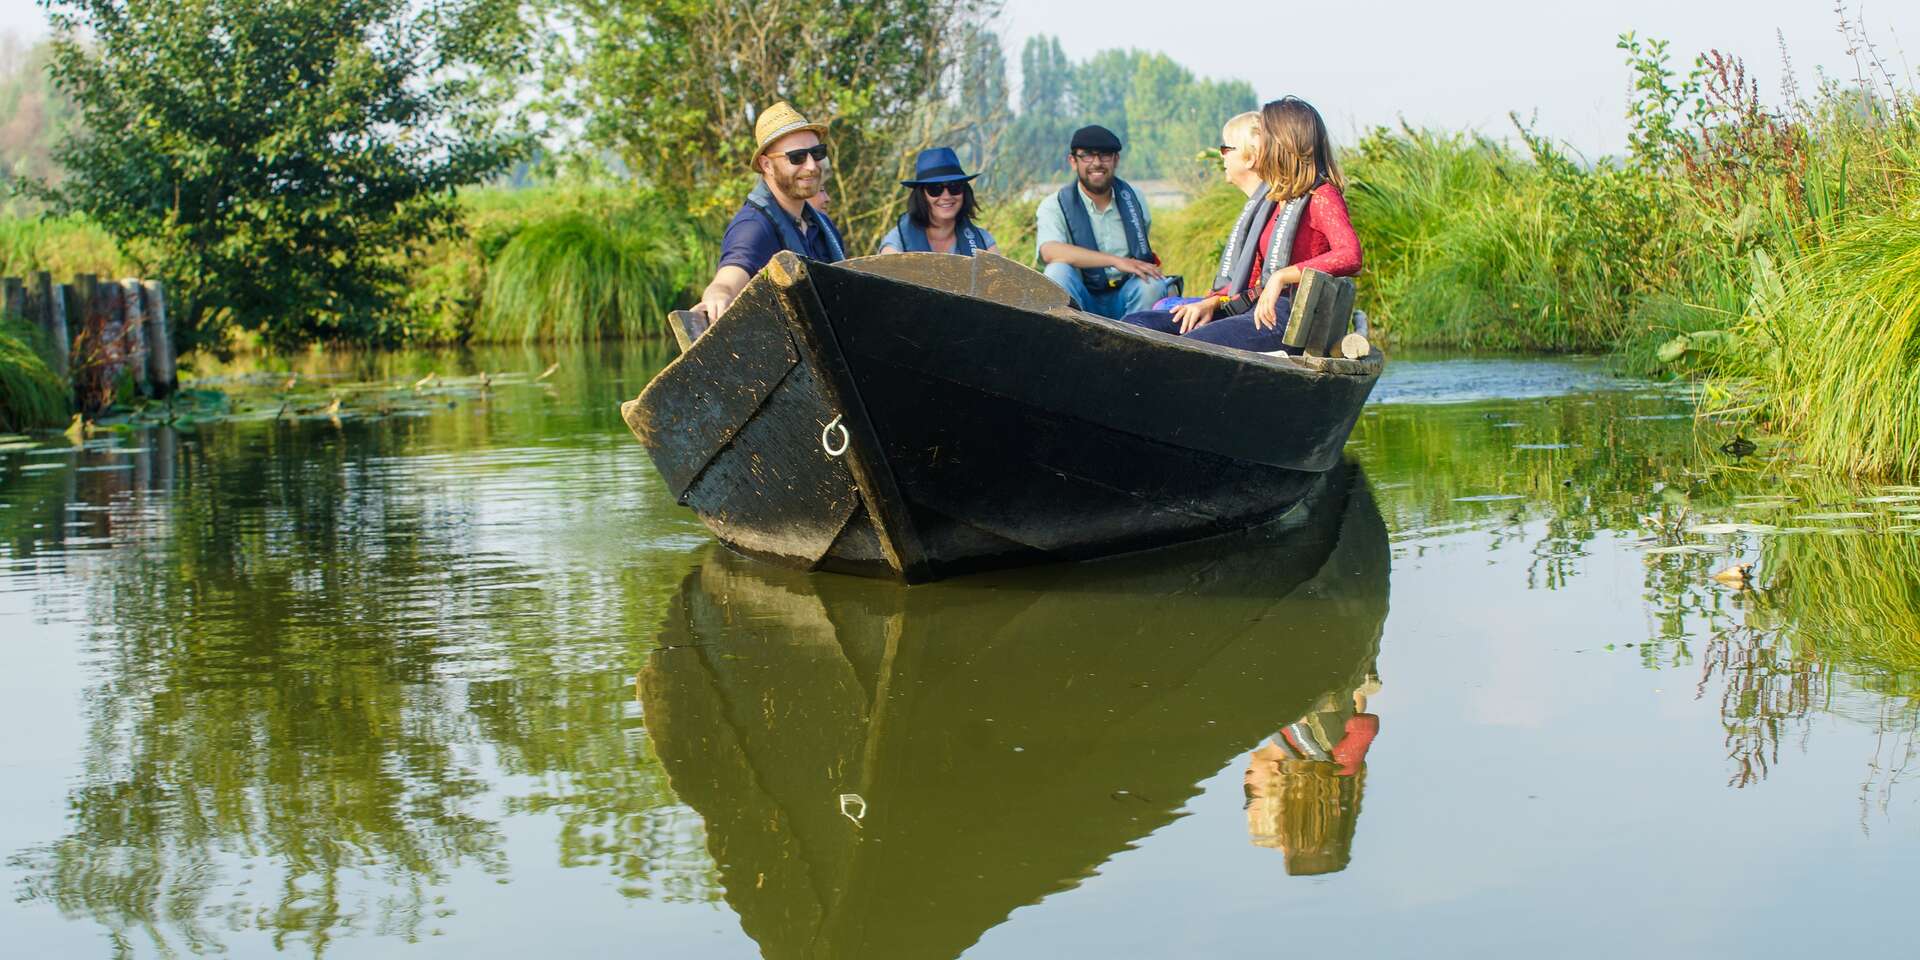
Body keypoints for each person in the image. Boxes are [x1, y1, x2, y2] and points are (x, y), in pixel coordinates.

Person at [1119, 97, 1361, 352]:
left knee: (1190, 348)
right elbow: (1254, 278)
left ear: (1285, 141)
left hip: (1287, 318)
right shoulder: (1276, 199)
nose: (1257, 142)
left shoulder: (1321, 195)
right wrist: (1212, 304)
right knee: (1138, 324)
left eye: (1264, 134)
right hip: (1254, 310)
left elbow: (1351, 255)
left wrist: (1282, 276)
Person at [693, 102, 849, 321]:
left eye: (817, 153)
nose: (812, 166)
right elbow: (728, 278)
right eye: (797, 157)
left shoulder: (823, 226)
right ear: (766, 165)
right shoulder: (753, 227)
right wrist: (719, 295)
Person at [1243, 672, 1382, 876]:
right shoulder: (1297, 738)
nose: (1246, 781)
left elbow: (1363, 715)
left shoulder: (1341, 764)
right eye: (1250, 794)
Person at [1034, 125, 1169, 318]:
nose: (1097, 163)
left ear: (1116, 160)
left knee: (1152, 283)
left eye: (1105, 155)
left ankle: (1139, 342)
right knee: (1056, 271)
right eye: (1087, 155)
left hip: (1126, 292)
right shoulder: (1054, 204)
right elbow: (1050, 251)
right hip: (1081, 295)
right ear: (1073, 161)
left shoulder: (1134, 199)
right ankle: (1066, 341)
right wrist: (1116, 261)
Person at [878, 147, 1000, 256]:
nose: (946, 196)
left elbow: (998, 280)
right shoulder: (897, 243)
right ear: (922, 195)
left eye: (954, 187)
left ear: (965, 192)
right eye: (935, 189)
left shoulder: (984, 243)